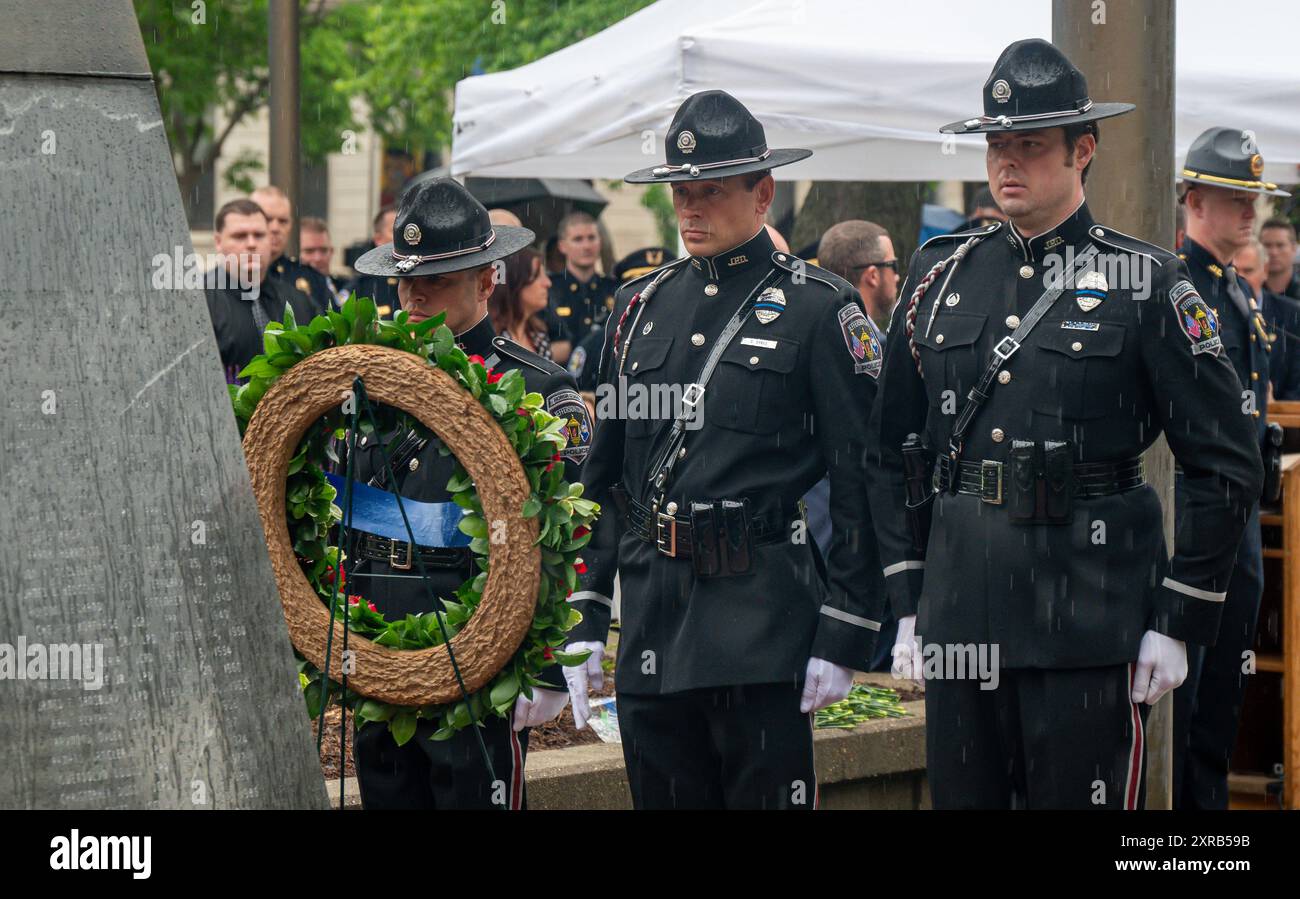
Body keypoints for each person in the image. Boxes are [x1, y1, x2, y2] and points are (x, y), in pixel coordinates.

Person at [868, 39, 1262, 810]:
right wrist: (910, 599)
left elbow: (1225, 460)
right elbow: (895, 449)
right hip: (962, 615)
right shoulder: (939, 276)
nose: (1007, 162)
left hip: (1090, 620)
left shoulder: (1146, 283)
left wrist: (1180, 616)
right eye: (997, 144)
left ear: (1083, 150)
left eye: (1031, 145)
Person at [561, 90, 886, 809]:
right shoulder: (636, 309)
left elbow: (863, 475)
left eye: (710, 191)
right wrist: (585, 610)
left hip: (762, 626)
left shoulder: (820, 309)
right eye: (681, 192)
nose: (691, 209)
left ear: (763, 191)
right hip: (653, 627)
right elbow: (604, 477)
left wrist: (847, 625)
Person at [344, 178, 592, 810]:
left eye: (438, 279)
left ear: (487, 279)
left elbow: (560, 538)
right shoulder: (366, 381)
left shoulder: (537, 390)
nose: (413, 295)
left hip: (480, 644)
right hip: (380, 641)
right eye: (405, 280)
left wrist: (540, 665)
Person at [1172, 126, 1289, 810]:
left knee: (1221, 710)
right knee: (1185, 713)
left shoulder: (1238, 294)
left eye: (1255, 196)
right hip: (1196, 523)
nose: (1251, 210)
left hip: (1240, 523)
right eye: (1234, 195)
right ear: (1194, 199)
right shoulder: (1177, 288)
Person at [204, 198, 319, 384]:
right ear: (218, 242)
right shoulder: (200, 302)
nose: (251, 244)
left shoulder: (299, 302)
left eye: (259, 235)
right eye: (240, 236)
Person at [566, 247, 678, 396]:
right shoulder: (600, 342)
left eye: (660, 286)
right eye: (640, 286)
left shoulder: (685, 335)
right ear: (623, 293)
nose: (649, 294)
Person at [249, 185, 332, 316]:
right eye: (268, 219)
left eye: (283, 221)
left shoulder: (312, 279)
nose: (275, 228)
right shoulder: (226, 279)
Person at [546, 211, 616, 363]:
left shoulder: (614, 289)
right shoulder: (549, 289)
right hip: (561, 380)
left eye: (591, 238)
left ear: (600, 242)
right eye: (578, 239)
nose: (586, 246)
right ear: (562, 246)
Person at [1237, 238, 1300, 401]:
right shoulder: (1213, 313)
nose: (1240, 279)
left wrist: (1271, 407)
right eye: (1234, 272)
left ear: (1264, 270)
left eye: (1248, 271)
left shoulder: (1292, 315)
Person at [818, 219, 900, 331]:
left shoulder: (815, 335)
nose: (897, 277)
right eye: (893, 265)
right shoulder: (876, 346)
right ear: (872, 276)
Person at [488, 248, 554, 359]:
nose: (548, 283)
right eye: (536, 276)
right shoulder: (494, 341)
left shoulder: (538, 336)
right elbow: (488, 371)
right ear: (515, 283)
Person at [347, 205, 401, 318]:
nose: (402, 236)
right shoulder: (363, 284)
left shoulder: (420, 279)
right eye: (395, 230)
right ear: (378, 239)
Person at [298, 216, 349, 308]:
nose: (318, 258)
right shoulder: (286, 292)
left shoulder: (346, 286)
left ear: (332, 251)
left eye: (323, 250)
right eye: (309, 251)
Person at [1261, 217, 1300, 300]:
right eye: (1267, 245)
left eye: (1280, 245)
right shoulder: (1247, 292)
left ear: (1294, 248)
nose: (1273, 252)